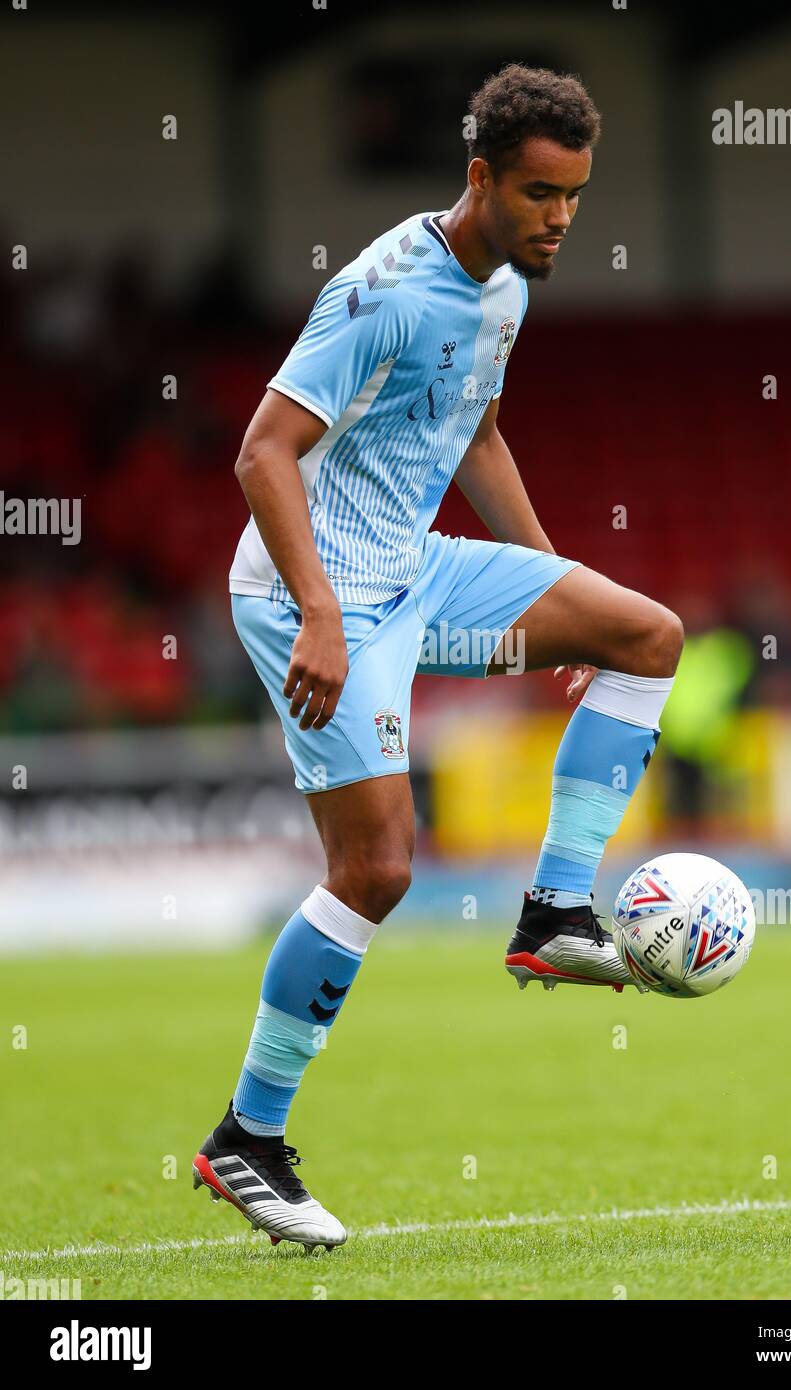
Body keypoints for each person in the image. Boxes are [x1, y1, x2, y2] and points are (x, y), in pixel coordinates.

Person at [193, 63, 682, 1252]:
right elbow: (263, 453)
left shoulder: (505, 282)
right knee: (378, 867)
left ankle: (554, 910)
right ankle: (245, 1141)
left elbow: (480, 432)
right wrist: (316, 611)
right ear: (479, 178)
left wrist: (560, 587)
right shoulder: (388, 292)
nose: (558, 219)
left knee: (640, 632)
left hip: (412, 573)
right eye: (536, 195)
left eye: (572, 197)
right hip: (313, 595)